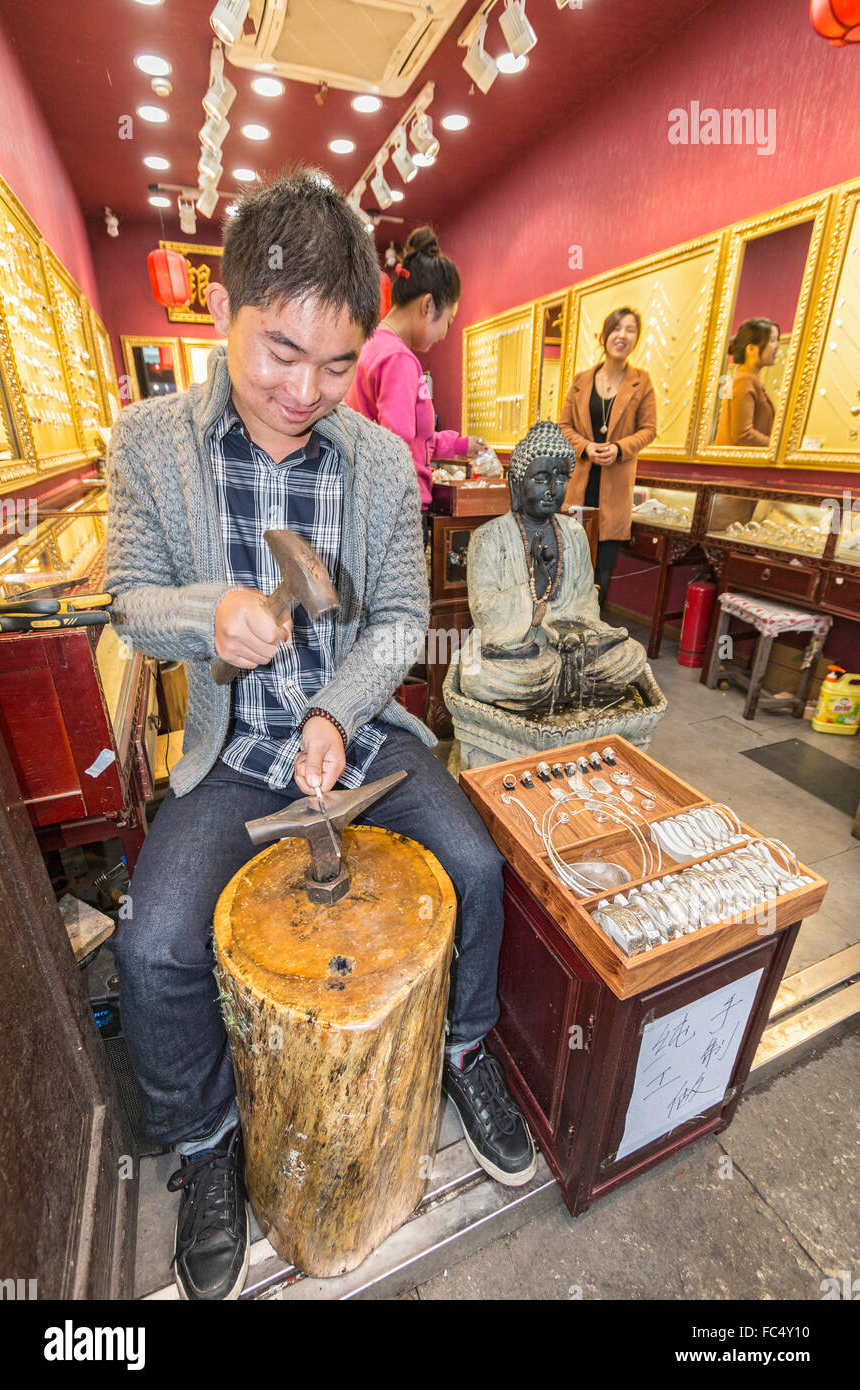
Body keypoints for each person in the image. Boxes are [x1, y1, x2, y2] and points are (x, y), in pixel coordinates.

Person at [104, 172, 534, 1302]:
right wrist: (210, 613)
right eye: (279, 353)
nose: (305, 389)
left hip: (359, 732)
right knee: (151, 950)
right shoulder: (149, 441)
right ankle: (205, 1152)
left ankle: (463, 1049)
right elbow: (128, 603)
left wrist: (339, 710)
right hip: (229, 749)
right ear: (222, 311)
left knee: (476, 866)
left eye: (336, 363)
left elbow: (397, 620)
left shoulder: (380, 461)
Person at [459, 421, 647, 711]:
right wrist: (532, 590)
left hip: (571, 648)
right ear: (515, 483)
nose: (551, 489)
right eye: (541, 478)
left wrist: (576, 634)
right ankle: (569, 688)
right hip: (516, 650)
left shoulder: (574, 532)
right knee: (475, 673)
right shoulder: (488, 537)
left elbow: (585, 600)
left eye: (561, 478)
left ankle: (562, 684)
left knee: (633, 655)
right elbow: (484, 613)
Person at [345, 226, 485, 543]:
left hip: (364, 505)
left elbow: (416, 438)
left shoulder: (368, 346)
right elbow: (397, 446)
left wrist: (461, 445)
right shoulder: (399, 359)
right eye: (447, 322)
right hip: (396, 513)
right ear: (427, 305)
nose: (445, 334)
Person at [558, 307, 657, 607]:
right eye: (616, 328)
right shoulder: (582, 380)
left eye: (630, 330)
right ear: (604, 336)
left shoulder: (642, 381)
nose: (622, 335)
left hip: (614, 488)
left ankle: (594, 628)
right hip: (580, 484)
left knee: (602, 566)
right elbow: (563, 425)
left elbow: (650, 429)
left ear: (636, 338)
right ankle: (563, 625)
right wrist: (586, 446)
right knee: (571, 559)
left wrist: (620, 448)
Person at [714, 317, 779, 447]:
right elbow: (743, 434)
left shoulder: (748, 378)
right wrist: (776, 446)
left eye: (777, 340)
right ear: (751, 349)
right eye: (772, 340)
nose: (777, 345)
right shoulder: (744, 380)